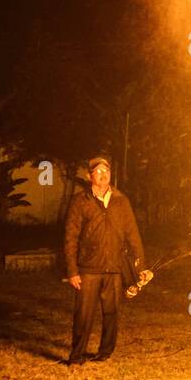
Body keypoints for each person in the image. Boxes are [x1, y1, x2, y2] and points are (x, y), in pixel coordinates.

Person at [63, 156, 148, 365]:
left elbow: (133, 235)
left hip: (114, 267)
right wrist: (72, 270)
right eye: (98, 171)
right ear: (89, 176)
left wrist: (141, 266)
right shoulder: (80, 201)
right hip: (89, 268)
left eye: (106, 171)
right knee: (83, 315)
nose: (103, 175)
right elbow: (70, 237)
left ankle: (105, 352)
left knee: (111, 313)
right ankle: (77, 356)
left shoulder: (121, 201)